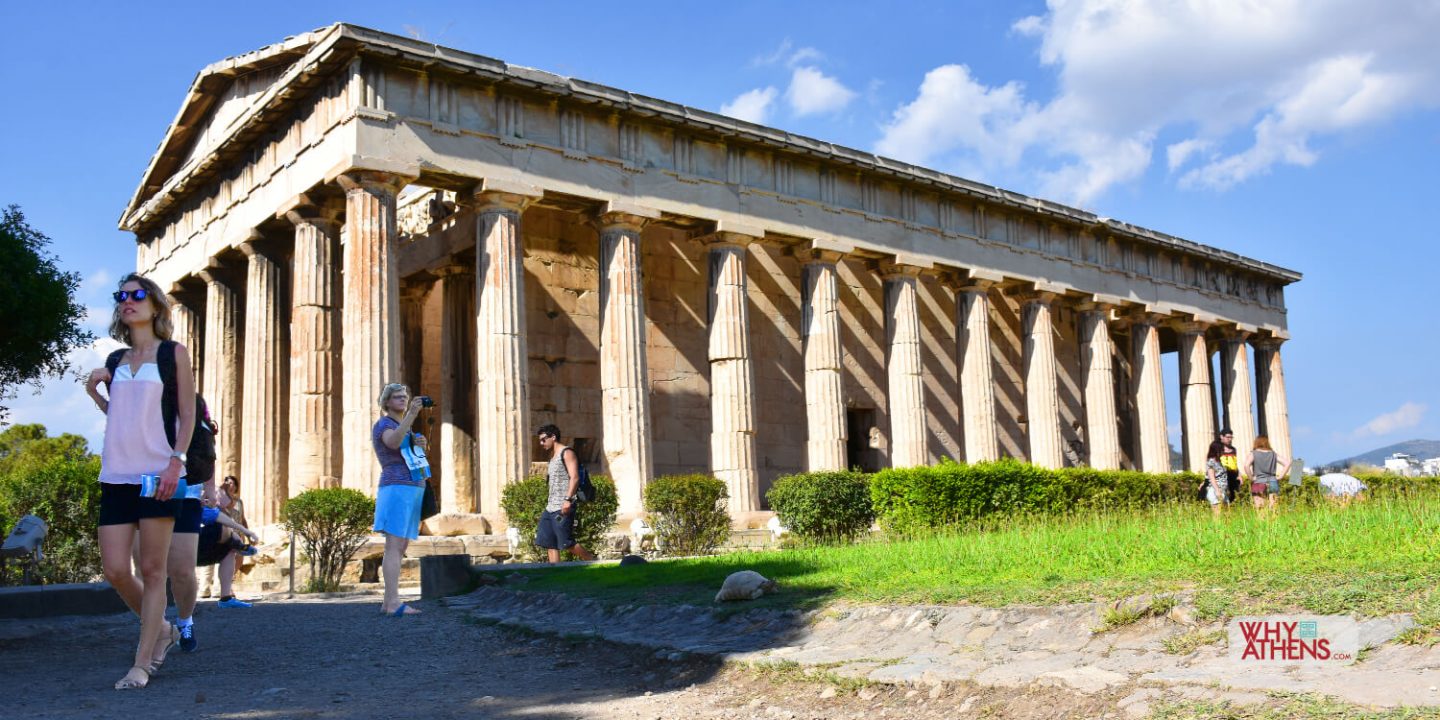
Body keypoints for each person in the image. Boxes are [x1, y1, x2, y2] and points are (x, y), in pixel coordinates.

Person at [84, 273, 196, 690]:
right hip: (117, 474)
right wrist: (96, 394)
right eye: (122, 296)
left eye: (137, 295)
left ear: (155, 305)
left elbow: (186, 415)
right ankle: (163, 629)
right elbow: (122, 417)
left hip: (157, 474)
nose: (127, 301)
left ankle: (142, 664)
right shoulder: (116, 360)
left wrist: (175, 464)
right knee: (115, 570)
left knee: (152, 571)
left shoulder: (173, 353)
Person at [372, 383, 430, 616]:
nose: (403, 399)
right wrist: (412, 414)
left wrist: (420, 446)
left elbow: (408, 456)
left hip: (410, 488)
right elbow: (392, 443)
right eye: (397, 397)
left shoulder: (404, 427)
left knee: (400, 546)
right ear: (386, 402)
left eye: (405, 396)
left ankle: (388, 602)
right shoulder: (384, 424)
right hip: (396, 487)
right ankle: (394, 603)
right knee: (394, 546)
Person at [534, 424, 596, 563]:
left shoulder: (567, 453)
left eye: (543, 439)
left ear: (553, 437)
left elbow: (575, 477)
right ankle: (555, 572)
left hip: (563, 506)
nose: (541, 443)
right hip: (550, 507)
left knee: (566, 543)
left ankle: (595, 562)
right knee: (549, 543)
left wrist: (568, 500)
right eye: (540, 440)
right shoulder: (552, 457)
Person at [1245, 435, 1290, 513]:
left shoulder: (1253, 453)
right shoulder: (1273, 454)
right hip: (1273, 482)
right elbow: (1287, 463)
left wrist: (1251, 478)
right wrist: (1280, 476)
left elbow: (1246, 465)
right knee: (1273, 510)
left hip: (1259, 482)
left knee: (1260, 510)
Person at [1203, 441, 1229, 518]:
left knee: (1227, 516)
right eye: (1222, 449)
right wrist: (1217, 490)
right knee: (1217, 516)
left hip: (1222, 490)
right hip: (1215, 491)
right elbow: (1212, 477)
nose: (1224, 451)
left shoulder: (1219, 461)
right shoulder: (1211, 461)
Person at [1216, 429, 1240, 503]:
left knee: (1234, 497)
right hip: (1222, 476)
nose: (1230, 439)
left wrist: (1239, 475)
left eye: (1231, 437)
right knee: (1223, 497)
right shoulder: (1217, 449)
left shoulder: (1233, 449)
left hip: (1233, 476)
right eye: (1228, 437)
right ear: (1221, 437)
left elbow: (1235, 464)